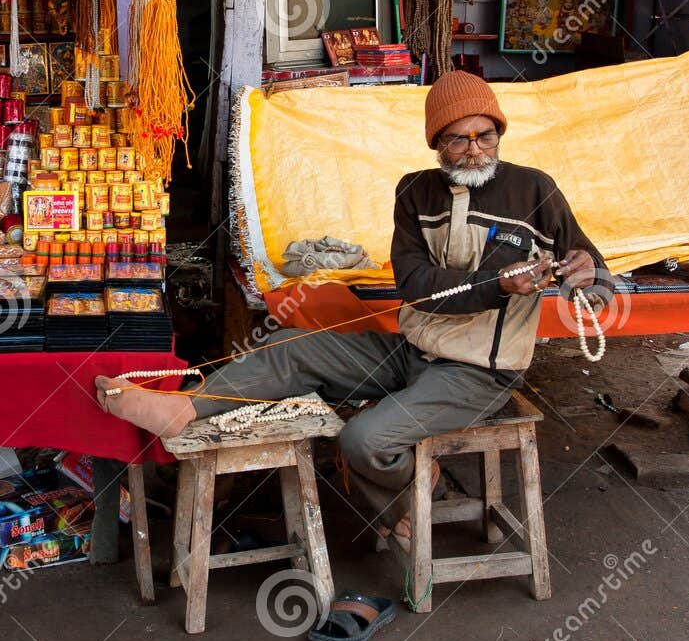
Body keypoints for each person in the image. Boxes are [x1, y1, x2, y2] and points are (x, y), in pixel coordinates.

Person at [96, 69, 611, 552]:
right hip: (413, 351)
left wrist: (588, 283)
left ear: (499, 134)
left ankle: (407, 496)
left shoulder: (534, 190)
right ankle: (184, 408)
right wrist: (497, 283)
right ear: (436, 143)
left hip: (480, 373)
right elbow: (414, 284)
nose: (475, 150)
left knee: (364, 438)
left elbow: (594, 270)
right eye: (458, 138)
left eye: (485, 136)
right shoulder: (416, 190)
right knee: (286, 347)